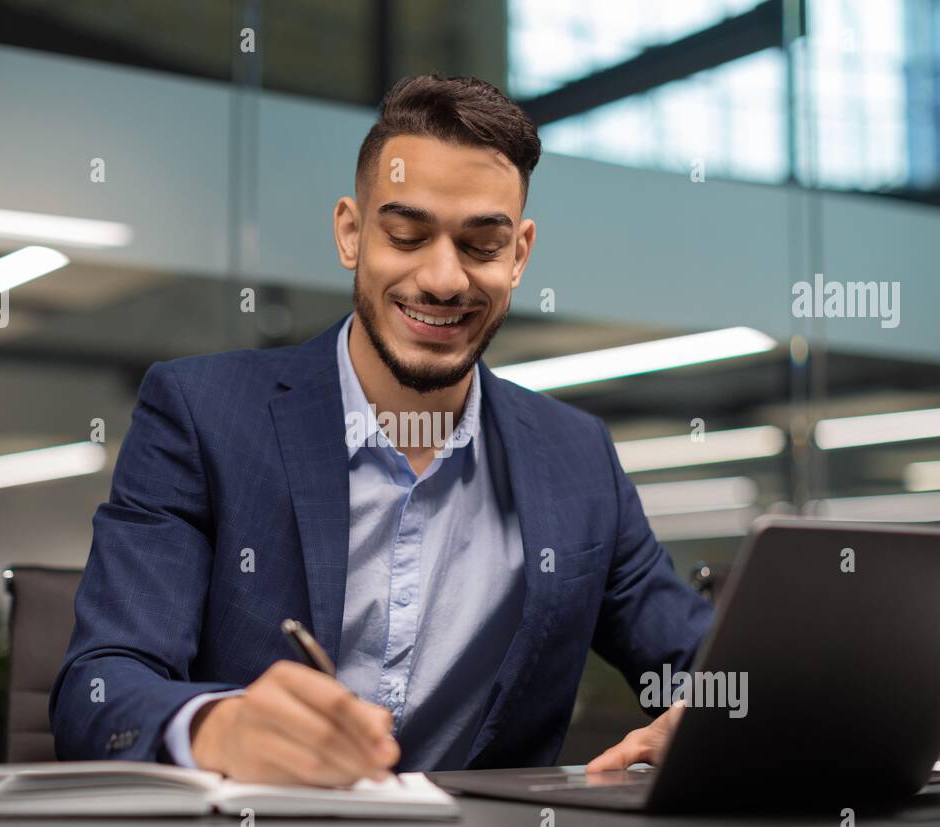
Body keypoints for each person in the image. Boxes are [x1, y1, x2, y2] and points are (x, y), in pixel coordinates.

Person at [50, 73, 714, 785]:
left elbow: (700, 659)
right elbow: (102, 685)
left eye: (482, 246)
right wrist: (218, 728)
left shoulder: (577, 456)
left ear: (519, 255)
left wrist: (724, 713)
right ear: (351, 233)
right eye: (406, 234)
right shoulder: (202, 414)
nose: (443, 279)